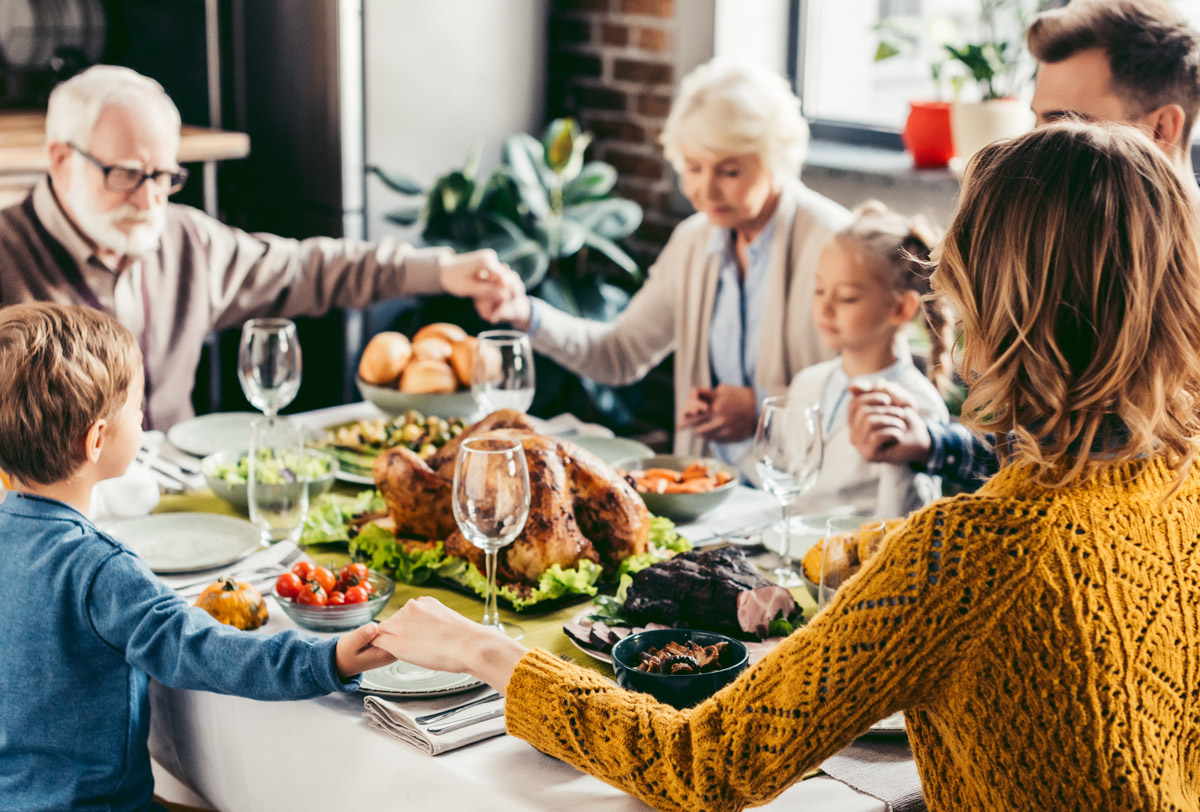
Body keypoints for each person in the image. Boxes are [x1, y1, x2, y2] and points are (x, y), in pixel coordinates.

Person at [373, 122, 1200, 811]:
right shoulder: (1181, 481)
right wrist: (887, 548)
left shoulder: (972, 553)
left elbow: (705, 764)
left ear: (997, 301)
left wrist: (490, 655)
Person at [0, 302, 398, 812]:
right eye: (137, 409)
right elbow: (204, 652)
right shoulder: (99, 569)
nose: (142, 419)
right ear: (96, 440)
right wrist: (328, 659)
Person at [0, 65, 522, 430]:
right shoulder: (8, 255)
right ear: (62, 159)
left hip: (180, 502)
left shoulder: (186, 240)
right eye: (127, 175)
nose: (149, 198)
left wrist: (441, 271)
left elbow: (310, 269)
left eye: (164, 175)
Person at [848, 0, 1200, 491]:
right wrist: (935, 443)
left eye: (1065, 123)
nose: (1037, 146)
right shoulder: (1057, 247)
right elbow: (1053, 461)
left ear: (1161, 129)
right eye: (1036, 121)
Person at [478, 58, 850, 480]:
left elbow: (866, 390)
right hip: (710, 496)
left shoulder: (837, 244)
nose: (706, 189)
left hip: (807, 499)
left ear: (776, 158)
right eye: (693, 168)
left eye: (728, 171)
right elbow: (619, 354)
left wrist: (765, 407)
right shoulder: (694, 240)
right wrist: (526, 314)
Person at [787, 202, 949, 517]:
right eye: (819, 290)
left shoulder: (917, 409)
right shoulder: (806, 385)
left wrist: (898, 458)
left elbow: (907, 524)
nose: (825, 307)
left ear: (901, 308)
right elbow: (789, 492)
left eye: (847, 296)